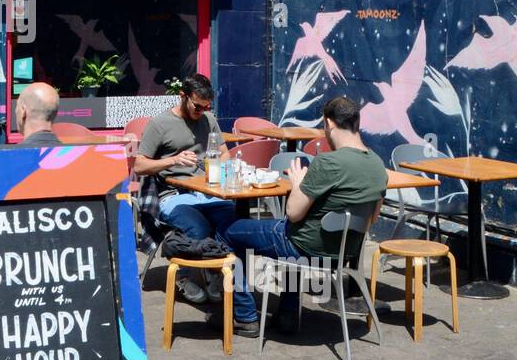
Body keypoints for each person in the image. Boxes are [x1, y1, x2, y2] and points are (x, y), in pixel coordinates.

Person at [221, 96, 389, 338]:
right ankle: (287, 315)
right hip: (341, 254)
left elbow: (293, 212)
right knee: (294, 235)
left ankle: (246, 316)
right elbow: (372, 219)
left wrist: (299, 182)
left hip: (305, 248)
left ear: (329, 124)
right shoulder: (377, 165)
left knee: (229, 230)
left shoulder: (328, 162)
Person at [134, 74, 236, 305]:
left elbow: (224, 152)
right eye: (197, 106)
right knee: (198, 226)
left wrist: (223, 170)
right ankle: (182, 276)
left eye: (206, 106)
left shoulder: (208, 119)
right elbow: (139, 165)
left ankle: (213, 272)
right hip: (172, 194)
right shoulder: (160, 124)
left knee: (232, 219)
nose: (200, 111)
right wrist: (173, 160)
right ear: (183, 96)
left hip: (206, 191)